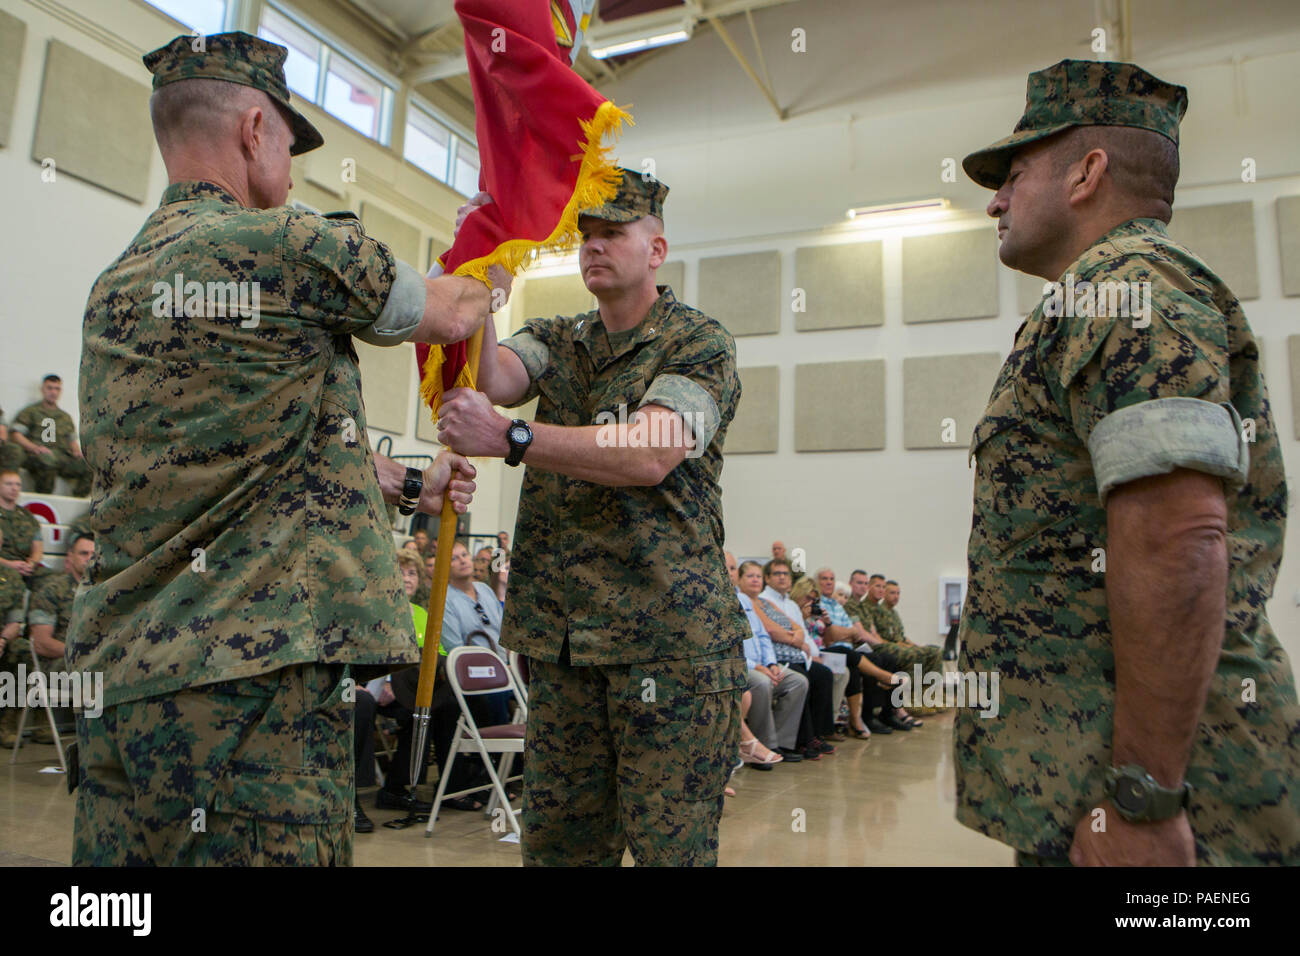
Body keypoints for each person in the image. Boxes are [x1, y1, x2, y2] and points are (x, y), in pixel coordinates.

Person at [67, 31, 494, 866]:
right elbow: (449, 310)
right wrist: (499, 255)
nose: (293, 170)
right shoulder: (287, 246)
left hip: (120, 689)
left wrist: (411, 489)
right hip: (247, 702)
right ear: (255, 130)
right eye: (291, 146)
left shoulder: (114, 286)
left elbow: (255, 448)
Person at [957, 58, 1299, 866]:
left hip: (1159, 797)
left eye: (1014, 173)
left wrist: (1146, 797)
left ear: (1087, 172)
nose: (995, 199)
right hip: (1094, 781)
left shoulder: (1130, 290)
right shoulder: (1099, 297)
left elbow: (1180, 538)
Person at [436, 169, 747, 866]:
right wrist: (484, 277)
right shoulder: (559, 336)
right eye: (586, 235)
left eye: (613, 233)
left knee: (672, 852)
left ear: (657, 249)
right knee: (560, 851)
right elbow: (495, 380)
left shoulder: (697, 342)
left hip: (666, 644)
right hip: (563, 645)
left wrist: (514, 440)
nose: (594, 247)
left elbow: (649, 453)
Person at [23, 532, 96, 742]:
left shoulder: (104, 591)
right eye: (83, 553)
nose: (89, 558)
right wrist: (82, 654)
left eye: (94, 553)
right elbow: (41, 644)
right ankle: (94, 745)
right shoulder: (52, 591)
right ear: (70, 558)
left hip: (95, 661)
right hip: (57, 664)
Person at [735, 559, 808, 761]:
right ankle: (764, 745)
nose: (755, 580)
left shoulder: (749, 602)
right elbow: (734, 644)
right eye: (750, 576)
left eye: (758, 576)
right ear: (739, 580)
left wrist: (772, 664)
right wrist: (759, 666)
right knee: (762, 682)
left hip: (763, 664)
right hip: (744, 665)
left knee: (798, 681)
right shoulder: (732, 601)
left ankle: (782, 742)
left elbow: (763, 636)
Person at [9, 375, 92, 497]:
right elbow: (15, 435)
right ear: (42, 389)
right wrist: (34, 448)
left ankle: (77, 500)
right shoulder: (31, 412)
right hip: (37, 455)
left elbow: (72, 439)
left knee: (90, 467)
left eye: (57, 389)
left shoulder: (65, 417)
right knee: (48, 461)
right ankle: (44, 499)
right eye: (50, 388)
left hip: (61, 456)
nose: (53, 392)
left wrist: (76, 451)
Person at [0, 470, 46, 592]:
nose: (14, 488)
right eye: (9, 484)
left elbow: (38, 548)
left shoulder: (27, 516)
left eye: (18, 484)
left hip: (24, 568)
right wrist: (9, 565)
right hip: (3, 567)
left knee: (53, 580)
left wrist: (32, 563)